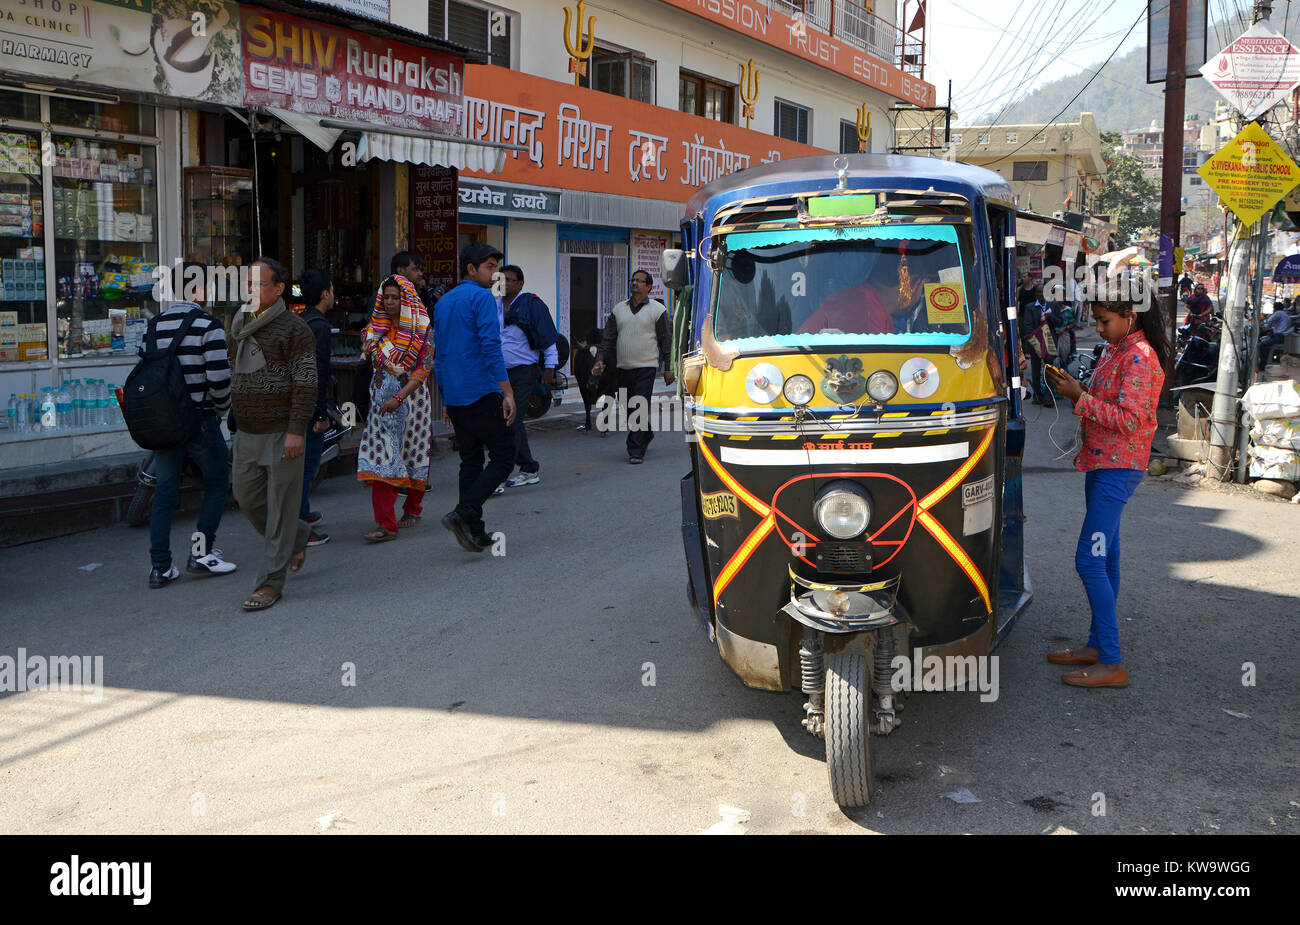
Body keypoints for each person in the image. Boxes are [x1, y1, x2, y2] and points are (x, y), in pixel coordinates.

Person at [1045, 297, 1170, 689]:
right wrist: (1077, 388)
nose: (1098, 328)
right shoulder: (1120, 350)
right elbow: (1111, 403)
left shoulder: (1139, 357)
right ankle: (1098, 646)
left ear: (1129, 316)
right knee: (1106, 557)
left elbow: (1131, 420)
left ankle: (1112, 661)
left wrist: (1078, 397)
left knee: (1089, 561)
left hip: (1118, 467)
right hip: (1103, 463)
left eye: (1104, 321)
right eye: (1096, 321)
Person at [229, 257, 317, 612]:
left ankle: (270, 583)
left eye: (258, 284)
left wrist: (297, 430)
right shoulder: (237, 325)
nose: (250, 291)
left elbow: (306, 381)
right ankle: (298, 535)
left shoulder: (296, 330)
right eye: (246, 284)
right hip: (247, 431)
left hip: (283, 433)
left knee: (281, 510)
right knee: (247, 499)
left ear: (278, 289)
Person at [145, 265, 237, 588]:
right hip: (199, 421)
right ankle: (201, 552)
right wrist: (221, 412)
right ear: (199, 290)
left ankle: (160, 567)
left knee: (165, 492)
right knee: (217, 482)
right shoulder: (208, 326)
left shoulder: (155, 326)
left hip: (164, 424)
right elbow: (219, 379)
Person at [433, 242, 517, 552]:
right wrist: (507, 391)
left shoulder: (443, 303)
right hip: (482, 390)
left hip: (455, 393)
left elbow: (438, 355)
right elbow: (490, 346)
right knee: (504, 457)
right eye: (490, 267)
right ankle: (464, 513)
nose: (495, 273)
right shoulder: (481, 297)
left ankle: (475, 529)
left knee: (470, 460)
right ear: (471, 269)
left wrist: (444, 397)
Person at [357, 275, 433, 541]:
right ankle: (386, 524)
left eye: (395, 298)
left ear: (407, 300)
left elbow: (422, 370)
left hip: (413, 401)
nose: (389, 302)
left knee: (413, 453)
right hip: (380, 404)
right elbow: (369, 364)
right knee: (383, 457)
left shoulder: (422, 330)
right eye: (385, 297)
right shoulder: (374, 330)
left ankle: (412, 508)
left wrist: (399, 397)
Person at [592, 270, 673, 463]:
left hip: (647, 366)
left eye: (639, 281)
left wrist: (669, 367)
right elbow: (608, 338)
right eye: (633, 280)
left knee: (638, 404)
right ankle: (646, 433)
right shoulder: (619, 309)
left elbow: (666, 341)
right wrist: (600, 359)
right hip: (623, 367)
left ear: (649, 286)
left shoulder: (657, 310)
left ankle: (635, 450)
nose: (635, 283)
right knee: (628, 407)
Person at [498, 264, 559, 489]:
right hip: (498, 373)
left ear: (520, 284)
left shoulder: (531, 304)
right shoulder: (493, 305)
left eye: (510, 280)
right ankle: (529, 468)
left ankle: (499, 473)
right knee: (508, 420)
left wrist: (550, 369)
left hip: (523, 371)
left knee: (512, 418)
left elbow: (547, 337)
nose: (504, 284)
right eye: (500, 280)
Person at [297, 269, 334, 546]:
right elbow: (318, 371)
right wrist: (321, 414)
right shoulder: (319, 326)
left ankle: (304, 514)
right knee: (307, 467)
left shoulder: (301, 320)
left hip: (297, 402)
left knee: (302, 467)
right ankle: (300, 530)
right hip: (309, 406)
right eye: (331, 289)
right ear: (325, 294)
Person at [1258, 305, 1293, 370]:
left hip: (1280, 337)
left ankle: (1263, 365)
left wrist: (1265, 327)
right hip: (1283, 337)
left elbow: (1269, 321)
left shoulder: (1278, 313)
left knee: (1262, 345)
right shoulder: (1285, 314)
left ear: (1275, 308)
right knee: (1265, 341)